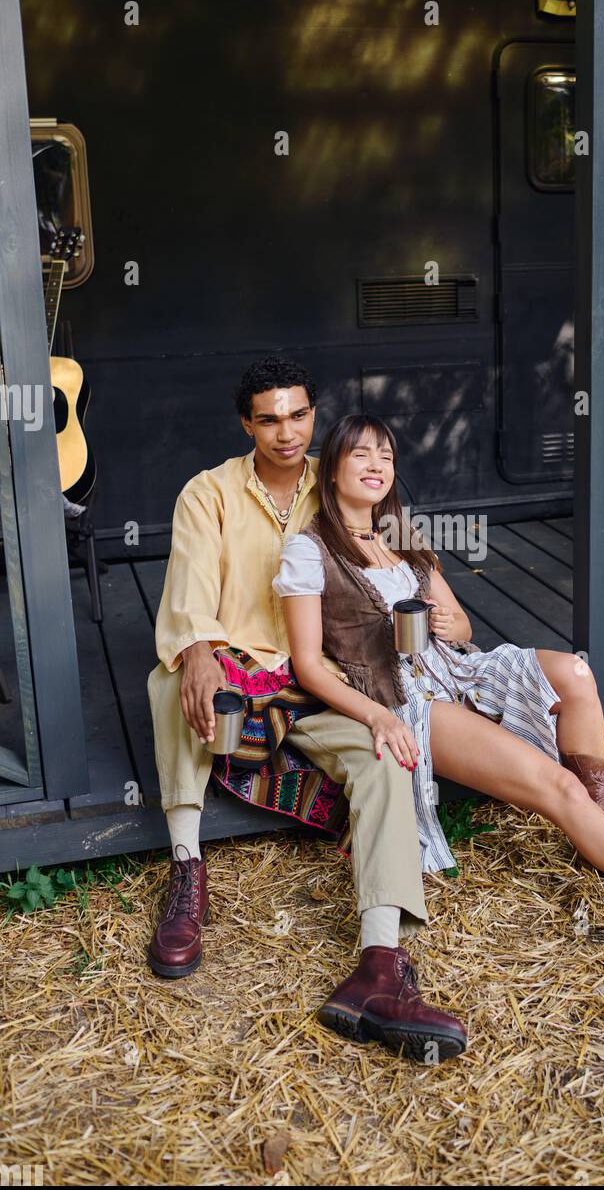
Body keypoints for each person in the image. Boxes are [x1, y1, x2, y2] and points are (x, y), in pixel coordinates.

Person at [275, 413, 604, 1063]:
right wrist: (378, 716)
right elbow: (308, 664)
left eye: (386, 456)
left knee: (578, 675)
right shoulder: (310, 550)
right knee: (558, 784)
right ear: (331, 465)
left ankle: (602, 842)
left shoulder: (403, 532)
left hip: (457, 670)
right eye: (360, 453)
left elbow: (464, 624)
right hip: (407, 697)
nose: (376, 465)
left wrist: (453, 620)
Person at [146, 359, 418, 982]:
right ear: (247, 424)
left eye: (298, 416)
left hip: (318, 677)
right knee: (171, 682)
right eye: (268, 420)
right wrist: (197, 656)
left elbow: (395, 549)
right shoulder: (207, 492)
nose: (286, 432)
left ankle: (381, 955)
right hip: (234, 672)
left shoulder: (340, 481)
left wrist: (439, 610)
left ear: (314, 416)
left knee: (383, 756)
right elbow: (188, 596)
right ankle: (187, 871)